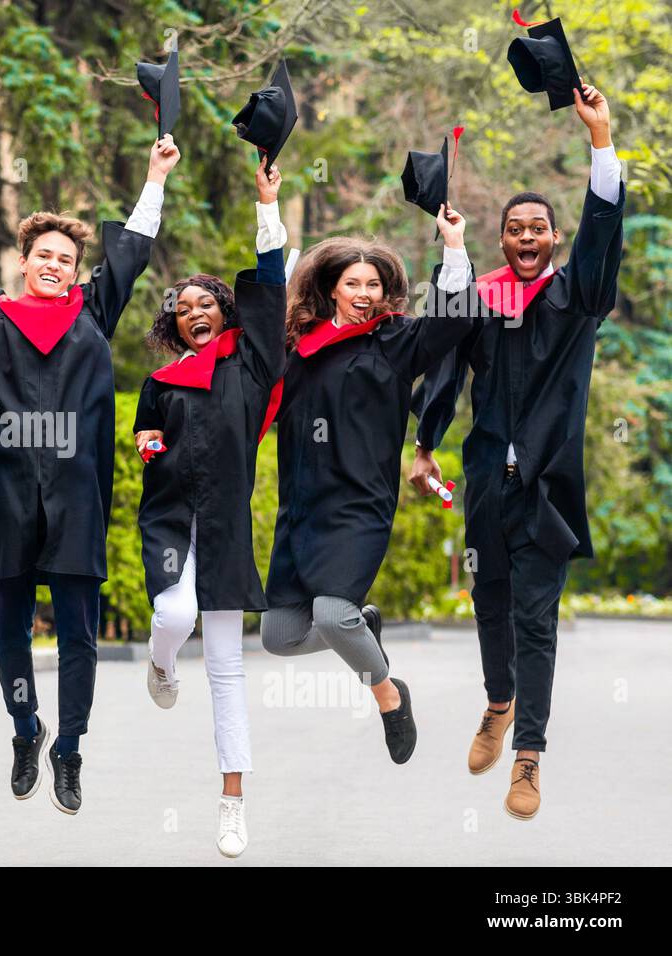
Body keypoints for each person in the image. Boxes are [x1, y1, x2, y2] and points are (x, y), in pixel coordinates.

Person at [410, 83, 623, 820]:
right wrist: (425, 444)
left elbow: (602, 235)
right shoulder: (484, 299)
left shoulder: (577, 300)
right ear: (502, 240)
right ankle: (497, 704)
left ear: (555, 240)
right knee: (489, 605)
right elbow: (440, 359)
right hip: (485, 483)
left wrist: (600, 142)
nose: (527, 236)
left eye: (539, 227)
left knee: (535, 618)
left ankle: (527, 754)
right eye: (514, 228)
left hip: (548, 488)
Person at [0, 134, 180, 814]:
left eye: (66, 258)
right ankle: (26, 728)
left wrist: (154, 175)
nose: (55, 265)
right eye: (45, 256)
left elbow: (133, 254)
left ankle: (69, 749)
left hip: (76, 495)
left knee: (79, 634)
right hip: (5, 493)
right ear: (23, 260)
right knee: (9, 626)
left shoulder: (92, 312)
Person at [261, 203, 477, 765]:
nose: (363, 293)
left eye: (373, 285)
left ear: (385, 293)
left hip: (360, 504)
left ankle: (386, 694)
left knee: (333, 614)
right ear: (332, 289)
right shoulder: (296, 345)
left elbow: (451, 324)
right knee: (278, 637)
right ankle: (367, 625)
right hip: (302, 506)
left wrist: (453, 247)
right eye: (352, 283)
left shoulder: (396, 341)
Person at [133, 157, 287, 857]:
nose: (195, 312)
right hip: (169, 517)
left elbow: (273, 293)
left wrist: (266, 209)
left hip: (223, 524)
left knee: (228, 668)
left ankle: (233, 802)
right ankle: (161, 664)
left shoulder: (249, 368)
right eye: (182, 308)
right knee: (173, 614)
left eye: (207, 305)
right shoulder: (160, 380)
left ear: (226, 314)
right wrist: (147, 440)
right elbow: (146, 429)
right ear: (174, 325)